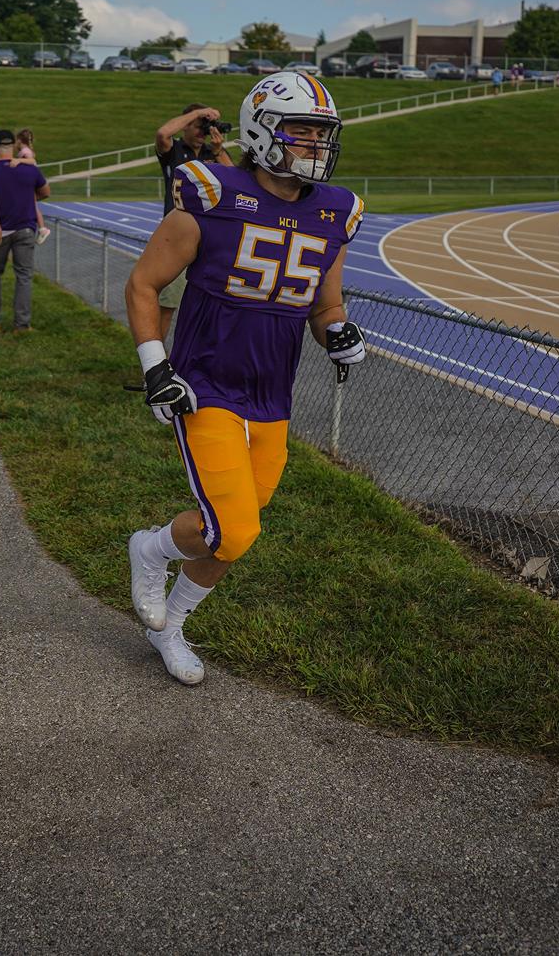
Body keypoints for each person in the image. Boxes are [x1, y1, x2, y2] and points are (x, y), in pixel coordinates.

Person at [122, 72, 366, 685]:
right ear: (263, 129)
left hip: (271, 394)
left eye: (322, 134)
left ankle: (171, 629)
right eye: (302, 131)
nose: (315, 145)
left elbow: (324, 304)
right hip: (207, 384)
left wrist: (339, 331)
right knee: (232, 526)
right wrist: (158, 369)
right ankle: (149, 549)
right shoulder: (211, 192)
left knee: (236, 532)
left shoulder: (336, 212)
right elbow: (143, 284)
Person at [152, 103, 226, 339]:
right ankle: (157, 365)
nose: (202, 132)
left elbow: (238, 179)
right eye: (197, 126)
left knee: (206, 309)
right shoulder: (174, 150)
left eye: (205, 127)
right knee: (167, 304)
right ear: (185, 126)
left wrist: (217, 150)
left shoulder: (211, 153)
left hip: (209, 240)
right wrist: (197, 113)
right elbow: (163, 133)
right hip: (176, 239)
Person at [0, 128, 49, 333]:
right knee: (24, 276)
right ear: (13, 146)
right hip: (25, 229)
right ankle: (22, 324)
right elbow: (45, 192)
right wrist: (25, 200)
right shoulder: (29, 169)